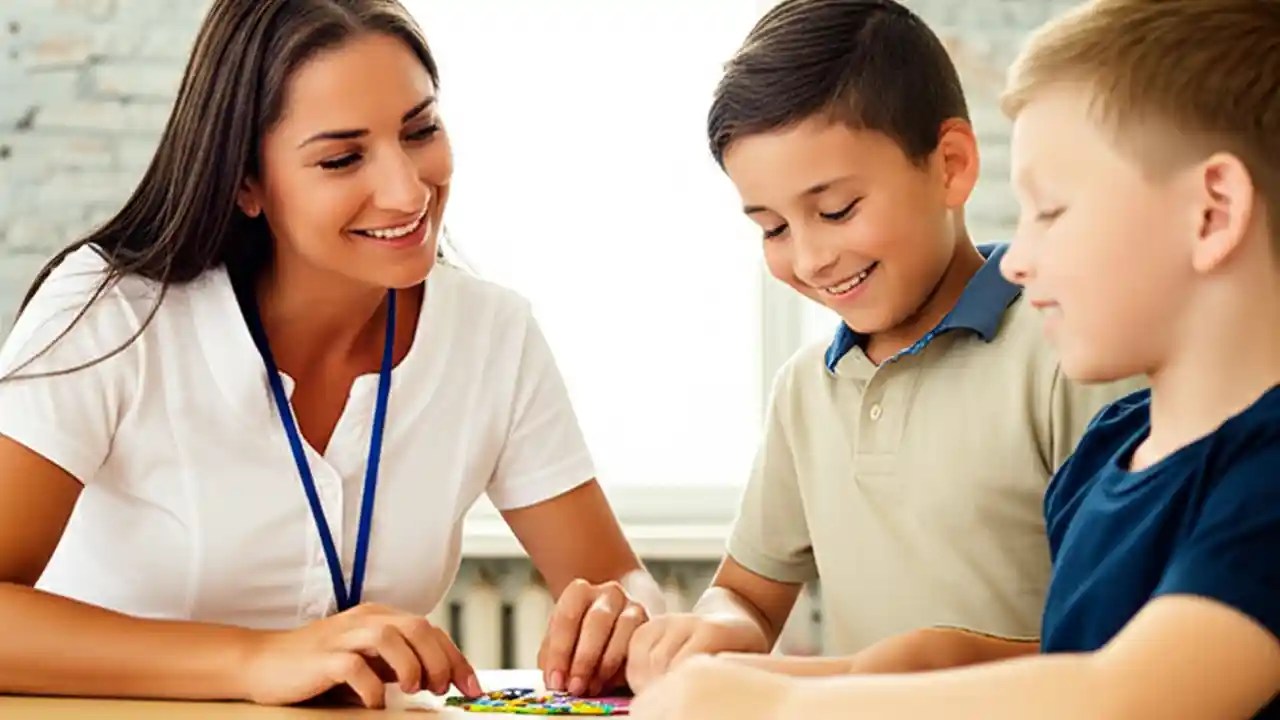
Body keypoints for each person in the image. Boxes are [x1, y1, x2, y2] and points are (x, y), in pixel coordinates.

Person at [0, 0, 663, 709]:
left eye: (421, 130)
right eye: (343, 158)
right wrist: (255, 661)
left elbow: (617, 581)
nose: (408, 190)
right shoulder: (113, 315)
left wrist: (623, 619)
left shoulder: (491, 332)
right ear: (245, 182)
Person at [630, 0, 1280, 717]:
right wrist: (895, 664)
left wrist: (779, 706)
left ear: (1213, 211)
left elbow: (1133, 690)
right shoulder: (1110, 454)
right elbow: (1073, 661)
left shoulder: (1254, 469)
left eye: (1052, 213)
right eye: (774, 227)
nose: (1021, 258)